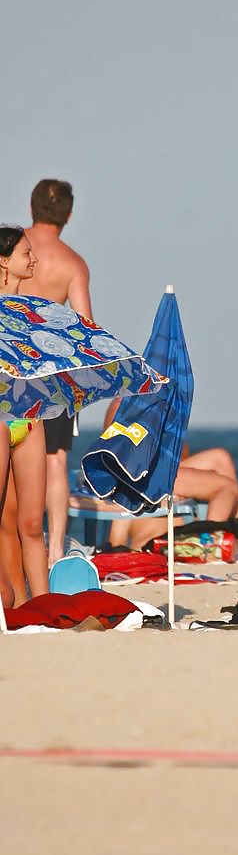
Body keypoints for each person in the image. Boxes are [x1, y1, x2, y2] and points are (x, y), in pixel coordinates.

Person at [20, 180, 92, 563]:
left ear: (31, 207)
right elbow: (84, 325)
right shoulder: (72, 263)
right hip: (53, 374)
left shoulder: (12, 251)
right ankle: (53, 552)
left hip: (11, 365)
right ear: (69, 214)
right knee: (55, 459)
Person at [101, 399, 238, 555]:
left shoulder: (151, 399)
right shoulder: (124, 404)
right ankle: (209, 546)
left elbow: (177, 450)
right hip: (140, 476)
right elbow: (115, 451)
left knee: (220, 458)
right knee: (227, 487)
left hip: (155, 470)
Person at [0, 227, 50, 604]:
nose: (33, 259)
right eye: (25, 253)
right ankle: (13, 601)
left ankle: (43, 604)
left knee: (32, 523)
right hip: (1, 419)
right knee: (3, 522)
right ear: (3, 261)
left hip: (31, 417)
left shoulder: (34, 310)